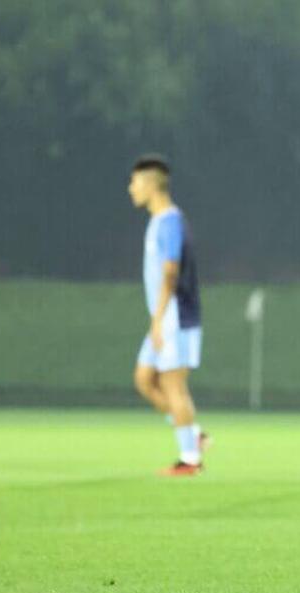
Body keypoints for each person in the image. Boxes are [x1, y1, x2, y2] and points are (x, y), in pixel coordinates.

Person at [127, 154, 208, 477]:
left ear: (149, 184)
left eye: (133, 182)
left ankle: (190, 459)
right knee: (145, 379)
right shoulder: (158, 220)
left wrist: (159, 319)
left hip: (174, 317)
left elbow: (171, 272)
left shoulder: (171, 221)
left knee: (174, 387)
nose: (130, 189)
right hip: (162, 318)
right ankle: (195, 433)